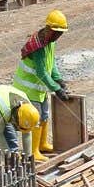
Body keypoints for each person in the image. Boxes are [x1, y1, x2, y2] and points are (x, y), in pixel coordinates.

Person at [12, 9, 70, 161]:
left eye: (61, 33)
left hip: (39, 89)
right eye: (57, 32)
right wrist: (56, 89)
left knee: (44, 116)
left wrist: (59, 79)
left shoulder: (49, 42)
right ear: (49, 29)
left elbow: (52, 64)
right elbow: (42, 72)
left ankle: (42, 144)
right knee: (35, 118)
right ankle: (33, 152)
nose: (59, 36)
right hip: (29, 89)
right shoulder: (38, 46)